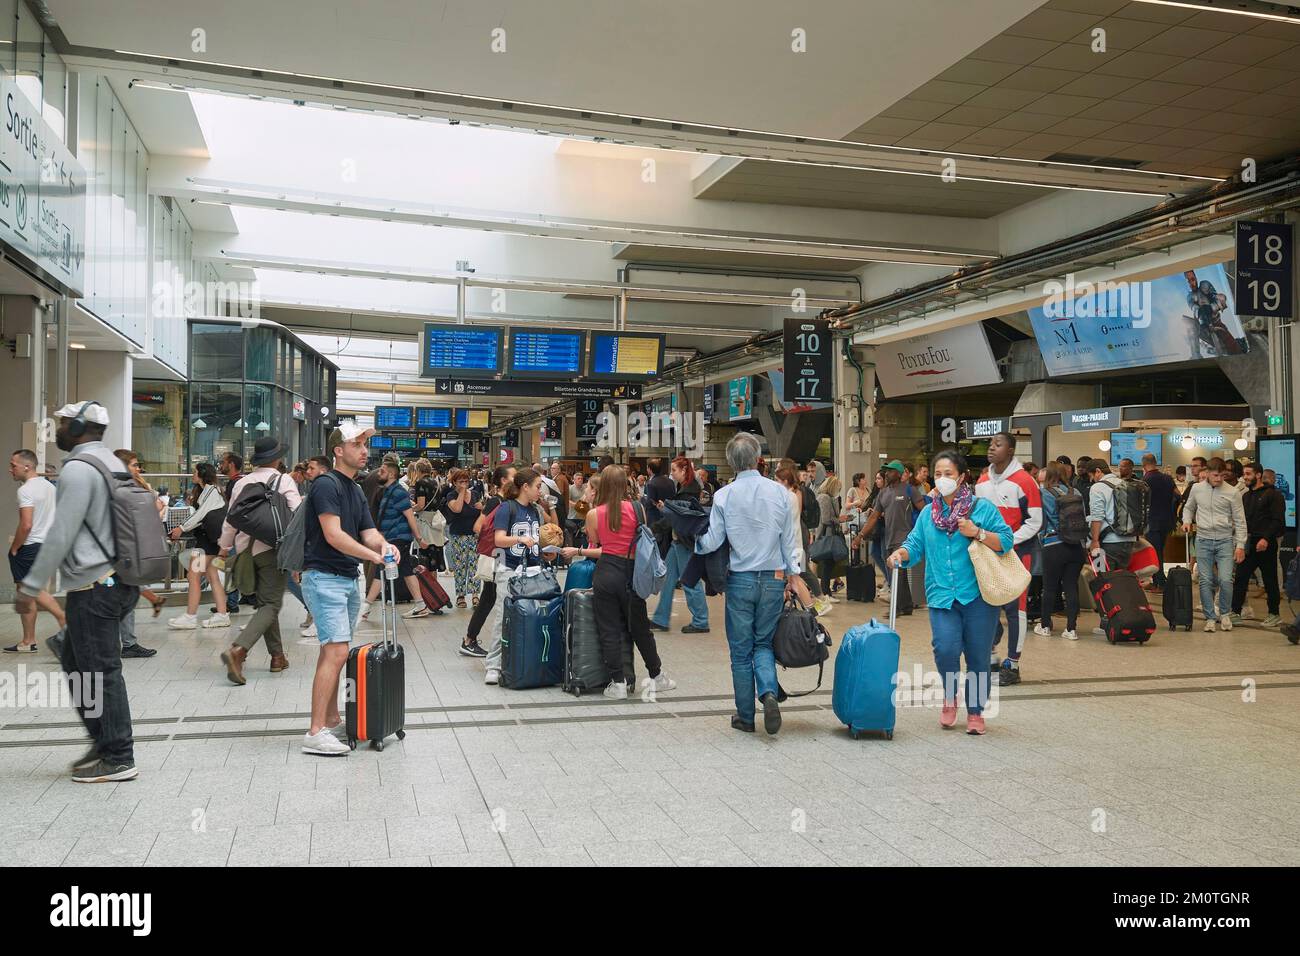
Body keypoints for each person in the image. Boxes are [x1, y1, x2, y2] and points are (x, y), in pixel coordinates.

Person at [16, 402, 141, 781]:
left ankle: (119, 756)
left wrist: (32, 585)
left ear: (82, 426)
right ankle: (103, 741)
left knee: (100, 673)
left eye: (64, 423)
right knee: (76, 663)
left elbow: (61, 532)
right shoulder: (113, 464)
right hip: (119, 581)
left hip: (94, 586)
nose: (58, 429)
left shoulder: (78, 470)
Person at [889, 449, 1013, 736]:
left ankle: (975, 711)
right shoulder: (928, 515)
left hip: (979, 596)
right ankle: (949, 695)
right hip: (942, 595)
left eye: (949, 474)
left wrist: (977, 533)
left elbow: (1006, 541)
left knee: (978, 656)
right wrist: (901, 553)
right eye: (938, 474)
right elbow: (915, 545)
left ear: (962, 477)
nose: (942, 479)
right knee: (944, 649)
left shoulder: (981, 509)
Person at [696, 433, 809, 735]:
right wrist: (793, 574)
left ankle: (746, 716)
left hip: (741, 580)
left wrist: (693, 543)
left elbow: (713, 541)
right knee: (763, 643)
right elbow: (789, 539)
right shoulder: (780, 493)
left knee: (741, 650)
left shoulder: (724, 496)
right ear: (758, 458)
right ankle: (769, 692)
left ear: (731, 462)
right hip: (773, 578)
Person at [300, 422, 396, 755]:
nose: (364, 450)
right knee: (337, 650)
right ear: (338, 451)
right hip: (324, 577)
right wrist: (373, 556)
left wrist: (384, 547)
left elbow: (368, 531)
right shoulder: (326, 485)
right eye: (357, 444)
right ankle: (314, 732)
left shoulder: (354, 490)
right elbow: (334, 535)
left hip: (346, 577)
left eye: (365, 444)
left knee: (334, 650)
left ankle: (329, 720)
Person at [563, 465, 676, 699]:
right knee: (640, 628)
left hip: (606, 573)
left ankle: (618, 683)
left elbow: (595, 540)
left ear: (602, 485)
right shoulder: (638, 509)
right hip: (632, 573)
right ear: (626, 484)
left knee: (609, 629)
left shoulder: (595, 514)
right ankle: (656, 675)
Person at [217, 437, 303, 684]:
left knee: (266, 602)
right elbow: (297, 516)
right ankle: (238, 650)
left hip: (245, 552)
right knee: (271, 605)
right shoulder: (283, 479)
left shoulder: (243, 482)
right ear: (276, 459)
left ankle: (277, 657)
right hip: (273, 551)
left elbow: (230, 520)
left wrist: (224, 548)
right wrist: (298, 553)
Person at [975, 433, 1041, 686]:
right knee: (987, 604)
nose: (992, 448)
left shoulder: (1024, 481)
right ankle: (991, 656)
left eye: (998, 444)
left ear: (1011, 450)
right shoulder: (981, 482)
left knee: (1016, 609)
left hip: (1018, 553)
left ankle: (1012, 665)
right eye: (990, 444)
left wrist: (1007, 541)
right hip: (988, 555)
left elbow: (1035, 520)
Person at [484, 468, 550, 685]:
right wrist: (520, 540)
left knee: (531, 615)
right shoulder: (506, 508)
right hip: (509, 570)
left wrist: (546, 551)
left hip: (532, 570)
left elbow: (538, 538)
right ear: (525, 487)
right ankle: (493, 665)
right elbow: (499, 540)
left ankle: (526, 659)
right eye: (538, 486)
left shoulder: (537, 511)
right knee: (503, 616)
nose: (540, 491)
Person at [5, 449, 67, 653]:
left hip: (30, 546)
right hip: (47, 544)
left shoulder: (26, 490)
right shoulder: (49, 487)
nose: (10, 469)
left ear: (27, 466)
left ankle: (64, 620)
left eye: (13, 465)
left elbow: (26, 525)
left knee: (31, 590)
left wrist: (15, 547)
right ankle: (28, 640)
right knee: (25, 593)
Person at [1179, 457, 1245, 633]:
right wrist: (1186, 521)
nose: (1219, 479)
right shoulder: (1197, 489)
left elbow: (1240, 521)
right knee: (1205, 580)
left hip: (1225, 540)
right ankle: (1209, 617)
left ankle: (1224, 613)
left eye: (1222, 475)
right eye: (1215, 475)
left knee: (1225, 580)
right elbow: (1189, 508)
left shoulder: (1232, 492)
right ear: (1207, 473)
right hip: (1203, 539)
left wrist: (1240, 545)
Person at [360, 459, 430, 620]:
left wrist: (419, 537)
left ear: (391, 474)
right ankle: (420, 605)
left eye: (382, 471)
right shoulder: (388, 491)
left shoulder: (398, 492)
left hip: (398, 538)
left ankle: (366, 606)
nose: (379, 473)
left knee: (381, 569)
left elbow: (409, 515)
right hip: (394, 538)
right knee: (405, 570)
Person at [166, 461, 231, 631]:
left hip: (206, 543)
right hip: (211, 541)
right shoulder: (209, 491)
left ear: (202, 474)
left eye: (195, 472)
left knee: (193, 575)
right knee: (212, 575)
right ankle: (222, 614)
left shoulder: (211, 490)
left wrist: (181, 528)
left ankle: (190, 616)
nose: (192, 474)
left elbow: (201, 515)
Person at [649, 457, 710, 634]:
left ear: (683, 471)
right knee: (668, 581)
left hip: (684, 542)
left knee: (690, 581)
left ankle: (701, 621)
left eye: (674, 470)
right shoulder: (686, 489)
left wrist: (658, 523)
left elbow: (679, 518)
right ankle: (661, 618)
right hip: (680, 542)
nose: (672, 473)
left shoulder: (687, 491)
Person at [462, 465, 514, 657]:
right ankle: (469, 639)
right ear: (503, 480)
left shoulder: (505, 502)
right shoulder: (495, 502)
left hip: (499, 554)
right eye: (513, 476)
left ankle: (470, 639)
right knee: (488, 598)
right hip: (495, 554)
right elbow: (478, 526)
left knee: (489, 597)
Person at [1033, 462, 1086, 641]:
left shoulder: (1044, 493)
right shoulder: (1076, 492)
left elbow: (1040, 521)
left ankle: (1045, 626)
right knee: (1071, 586)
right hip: (1076, 546)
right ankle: (1071, 629)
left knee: (1049, 587)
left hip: (1053, 544)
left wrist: (1042, 538)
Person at [855, 462, 917, 614]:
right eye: (886, 471)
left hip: (905, 538)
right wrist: (860, 536)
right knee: (897, 572)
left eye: (890, 471)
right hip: (889, 536)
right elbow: (873, 517)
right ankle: (907, 606)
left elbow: (924, 510)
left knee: (897, 571)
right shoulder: (883, 493)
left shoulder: (910, 490)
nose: (887, 474)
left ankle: (897, 608)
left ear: (898, 473)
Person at [1229, 461, 1283, 628]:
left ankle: (1274, 613)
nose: (1245, 478)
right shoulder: (1246, 496)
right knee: (1240, 577)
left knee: (1270, 579)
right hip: (1249, 543)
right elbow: (1242, 521)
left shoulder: (1273, 495)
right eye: (1244, 474)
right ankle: (1235, 612)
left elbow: (1278, 521)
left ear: (1258, 475)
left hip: (1266, 544)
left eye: (1248, 474)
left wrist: (1266, 538)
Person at [441, 467, 483, 608]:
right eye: (460, 481)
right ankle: (460, 595)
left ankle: (475, 594)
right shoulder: (451, 496)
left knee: (474, 566)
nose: (464, 483)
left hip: (474, 535)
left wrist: (482, 507)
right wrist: (462, 492)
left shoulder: (476, 494)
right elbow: (457, 509)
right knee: (460, 566)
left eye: (466, 481)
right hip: (458, 534)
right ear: (454, 482)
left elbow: (481, 513)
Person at [1141, 454, 1176, 592]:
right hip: (1166, 521)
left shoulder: (1145, 480)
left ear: (1144, 465)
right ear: (1156, 463)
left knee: (1154, 553)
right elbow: (1178, 494)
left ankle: (1160, 583)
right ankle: (1158, 581)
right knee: (1160, 551)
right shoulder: (1167, 478)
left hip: (1152, 522)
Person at [814, 473, 845, 600]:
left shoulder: (829, 498)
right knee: (827, 564)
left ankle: (826, 592)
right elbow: (826, 519)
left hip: (829, 534)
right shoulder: (825, 498)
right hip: (827, 535)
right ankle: (825, 593)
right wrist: (840, 520)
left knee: (828, 564)